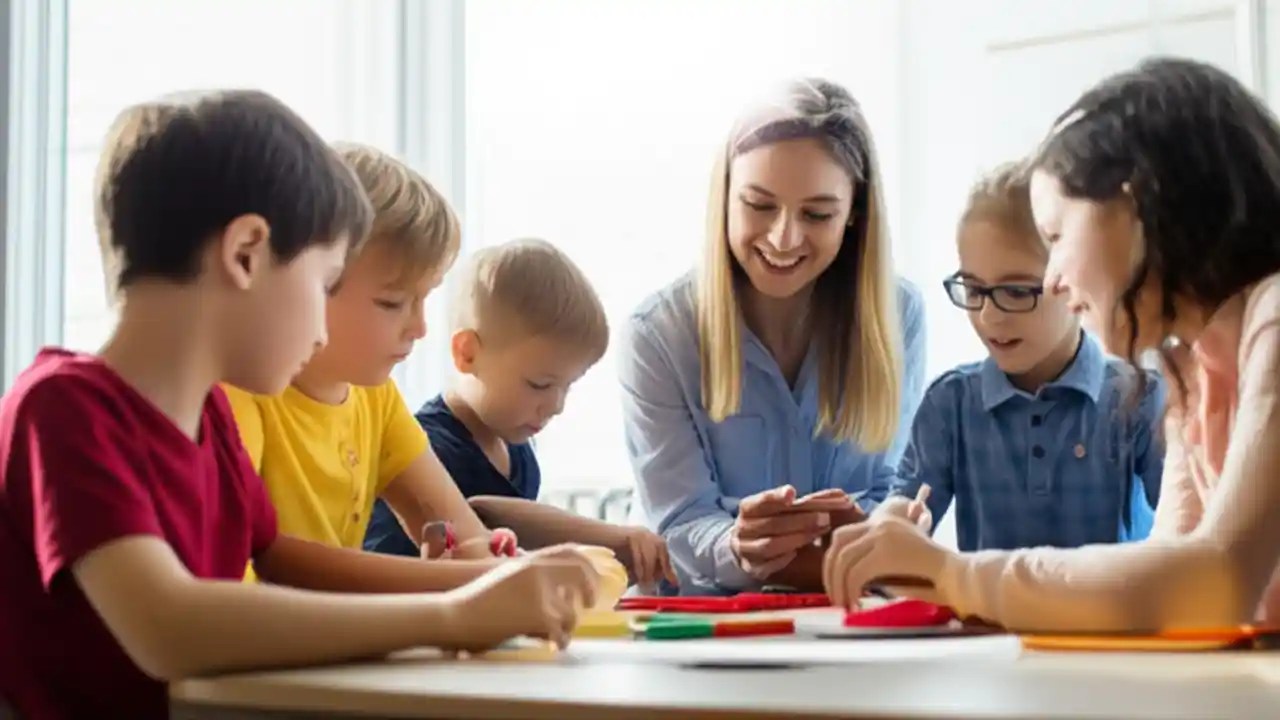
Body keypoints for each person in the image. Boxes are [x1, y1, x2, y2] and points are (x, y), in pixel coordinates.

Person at [0, 90, 598, 720]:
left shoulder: (208, 424)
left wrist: (496, 585)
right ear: (245, 255)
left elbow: (289, 564)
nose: (320, 326)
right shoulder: (61, 409)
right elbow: (169, 625)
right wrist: (453, 613)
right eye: (322, 282)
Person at [825, 57, 1280, 631]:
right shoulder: (1192, 372)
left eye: (1056, 236)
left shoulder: (1273, 316)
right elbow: (1168, 576)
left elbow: (1216, 582)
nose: (1053, 279)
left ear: (1139, 204)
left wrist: (954, 575)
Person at [620, 78, 927, 595]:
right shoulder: (657, 335)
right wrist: (737, 547)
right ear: (724, 199)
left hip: (849, 622)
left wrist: (879, 526)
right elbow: (677, 522)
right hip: (700, 633)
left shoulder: (899, 315)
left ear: (854, 214)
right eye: (760, 205)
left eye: (817, 214)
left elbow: (891, 490)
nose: (783, 238)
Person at [226, 143, 513, 570]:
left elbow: (460, 532)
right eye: (392, 302)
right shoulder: (238, 395)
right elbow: (244, 576)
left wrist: (494, 558)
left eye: (423, 300)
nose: (419, 328)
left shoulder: (374, 399)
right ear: (310, 280)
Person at [365, 239, 676, 589]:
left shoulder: (519, 455)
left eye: (567, 386)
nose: (556, 406)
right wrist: (604, 537)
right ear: (467, 354)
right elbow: (476, 514)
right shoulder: (426, 447)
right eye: (540, 385)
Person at [888, 162, 1164, 551]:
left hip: (1109, 612)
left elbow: (1191, 540)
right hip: (984, 614)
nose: (988, 316)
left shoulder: (1139, 398)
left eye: (1016, 292)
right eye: (974, 290)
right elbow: (898, 526)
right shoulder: (949, 404)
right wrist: (897, 527)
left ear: (1075, 282)